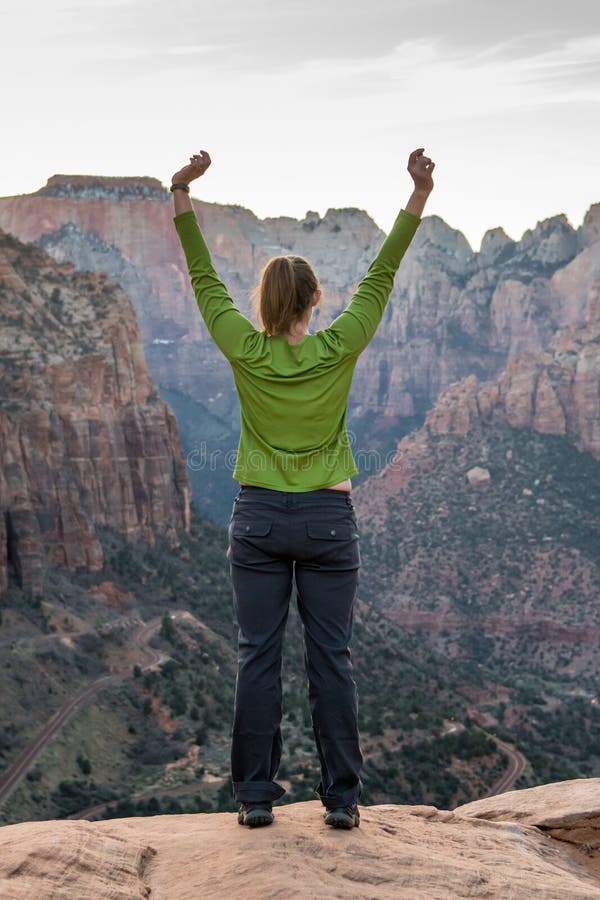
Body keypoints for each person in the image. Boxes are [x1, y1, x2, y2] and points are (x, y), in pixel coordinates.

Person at [170, 147, 435, 829]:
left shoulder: (243, 347)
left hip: (256, 519)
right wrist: (417, 196)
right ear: (316, 300)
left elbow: (203, 280)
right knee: (332, 660)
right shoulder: (341, 344)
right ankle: (342, 801)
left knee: (257, 657)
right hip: (327, 520)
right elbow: (382, 275)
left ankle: (256, 799)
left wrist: (181, 195)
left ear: (261, 303)